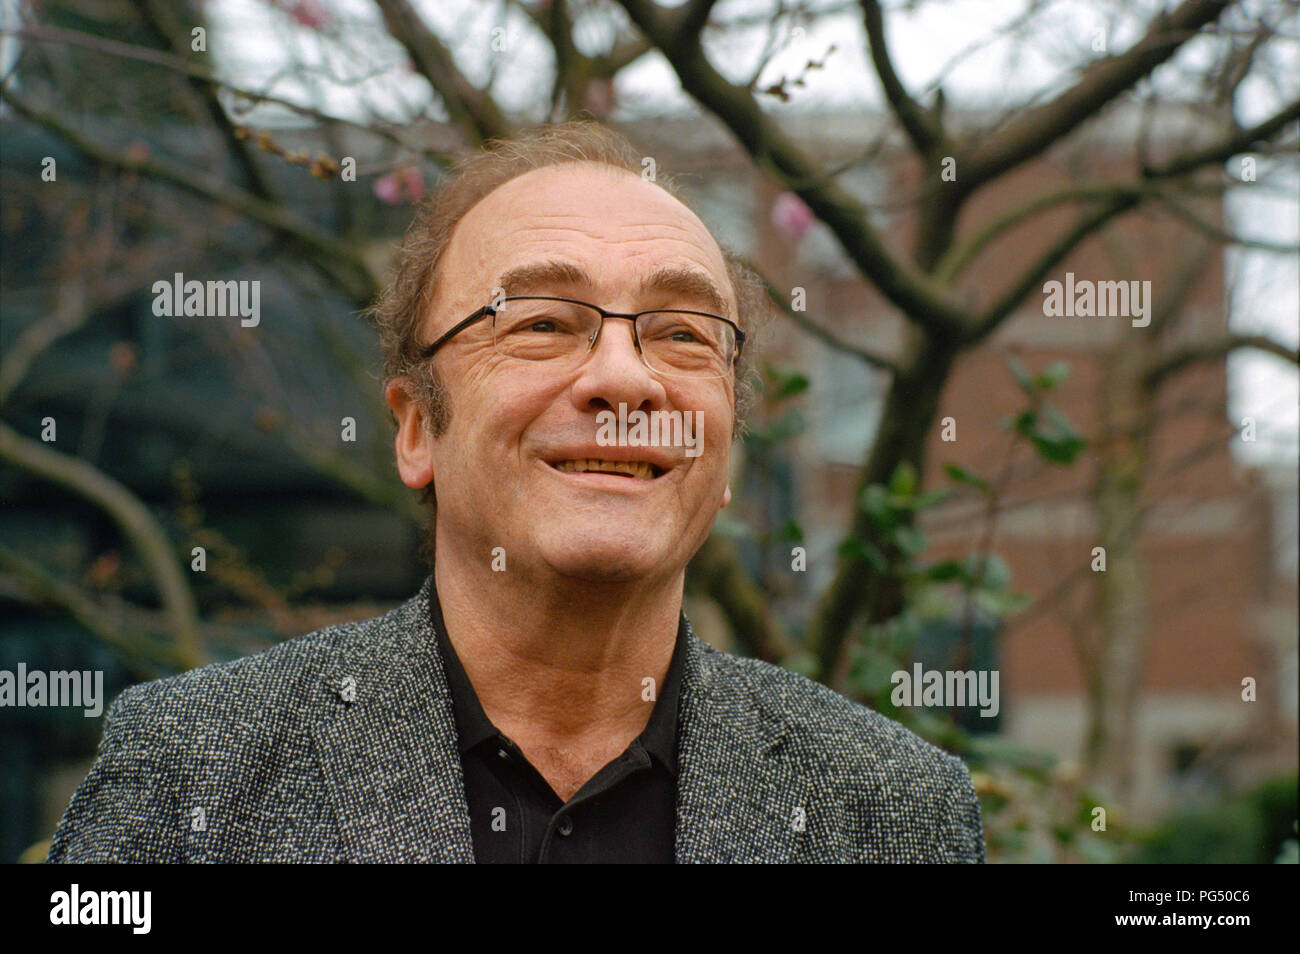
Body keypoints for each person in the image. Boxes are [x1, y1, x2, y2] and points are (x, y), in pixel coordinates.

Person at [48, 122, 984, 863]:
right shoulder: (192, 774)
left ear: (727, 446)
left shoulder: (894, 815)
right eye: (541, 322)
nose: (625, 379)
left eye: (683, 334)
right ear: (417, 427)